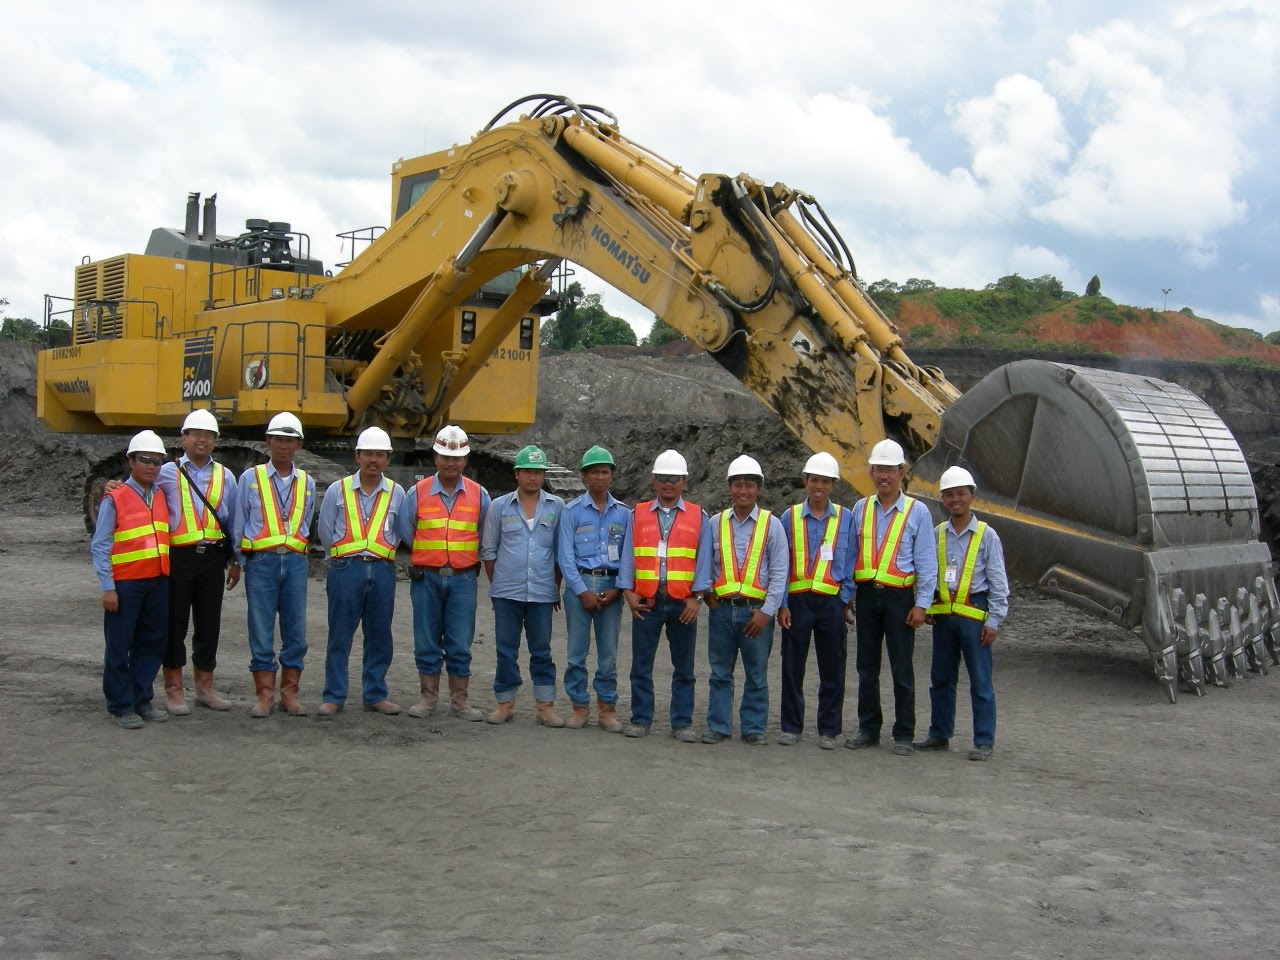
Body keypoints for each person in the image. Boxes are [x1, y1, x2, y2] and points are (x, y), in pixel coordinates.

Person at [845, 439, 938, 756]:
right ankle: (868, 729)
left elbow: (927, 562)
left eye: (890, 470)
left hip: (900, 599)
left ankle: (904, 734)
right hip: (867, 597)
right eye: (878, 469)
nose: (884, 475)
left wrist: (922, 604)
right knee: (866, 667)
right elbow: (852, 555)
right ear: (871, 472)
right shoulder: (860, 509)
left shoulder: (917, 512)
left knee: (902, 668)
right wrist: (848, 596)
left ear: (902, 472)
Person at [914, 466, 1010, 761]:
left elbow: (998, 582)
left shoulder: (987, 536)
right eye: (949, 495)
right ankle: (939, 733)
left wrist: (994, 621)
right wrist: (928, 605)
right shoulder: (937, 534)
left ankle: (984, 741)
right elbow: (929, 572)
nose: (955, 499)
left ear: (972, 496)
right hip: (943, 616)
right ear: (942, 499)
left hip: (974, 615)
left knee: (981, 681)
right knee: (941, 678)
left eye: (960, 494)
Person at [617, 449, 713, 740]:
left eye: (674, 478)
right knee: (641, 665)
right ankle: (640, 719)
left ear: (685, 481)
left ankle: (682, 723)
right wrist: (628, 592)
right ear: (653, 480)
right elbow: (628, 555)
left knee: (684, 668)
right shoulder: (637, 514)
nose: (668, 483)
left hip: (683, 603)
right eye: (662, 478)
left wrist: (697, 599)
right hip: (647, 601)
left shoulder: (699, 516)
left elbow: (704, 560)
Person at [399, 424, 491, 722]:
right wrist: (432, 554)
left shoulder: (479, 495)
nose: (451, 463)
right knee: (426, 641)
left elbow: (484, 532)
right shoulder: (417, 493)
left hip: (463, 579)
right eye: (445, 457)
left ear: (465, 461)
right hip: (427, 578)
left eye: (457, 458)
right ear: (435, 458)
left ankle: (459, 701)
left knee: (460, 642)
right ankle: (428, 698)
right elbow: (407, 530)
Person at [317, 426, 405, 717]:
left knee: (380, 635)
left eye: (380, 455)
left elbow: (401, 530)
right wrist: (338, 558)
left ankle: (375, 693)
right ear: (357, 456)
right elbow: (326, 530)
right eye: (368, 454)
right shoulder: (338, 490)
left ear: (388, 459)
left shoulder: (397, 493)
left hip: (382, 570)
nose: (373, 460)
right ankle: (334, 695)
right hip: (346, 569)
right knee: (340, 635)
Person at [234, 412, 317, 718]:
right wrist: (239, 561)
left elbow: (307, 520)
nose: (284, 445)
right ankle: (265, 694)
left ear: (299, 445)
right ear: (268, 442)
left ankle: (289, 693)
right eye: (279, 439)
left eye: (290, 440)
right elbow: (239, 522)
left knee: (295, 629)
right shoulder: (250, 478)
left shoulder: (307, 482)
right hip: (262, 562)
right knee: (261, 628)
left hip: (294, 561)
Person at [156, 408, 238, 715]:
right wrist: (114, 486)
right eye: (196, 435)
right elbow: (136, 490)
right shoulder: (166, 472)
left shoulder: (226, 476)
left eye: (208, 435)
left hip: (212, 559)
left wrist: (236, 560)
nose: (202, 440)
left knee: (208, 624)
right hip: (179, 558)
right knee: (174, 624)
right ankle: (174, 689)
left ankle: (205, 687)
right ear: (184, 438)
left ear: (215, 441)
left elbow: (233, 521)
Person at [702, 455, 788, 745]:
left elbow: (779, 573)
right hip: (722, 612)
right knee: (719, 673)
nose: (743, 491)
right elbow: (706, 565)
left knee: (756, 674)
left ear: (759, 489)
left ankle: (753, 728)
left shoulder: (772, 525)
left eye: (749, 485)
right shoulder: (715, 523)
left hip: (756, 613)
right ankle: (718, 726)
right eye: (737, 485)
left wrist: (767, 612)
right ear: (729, 488)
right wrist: (707, 595)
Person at [90, 430, 171, 729]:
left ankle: (141, 699)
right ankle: (120, 706)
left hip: (157, 581)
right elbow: (100, 544)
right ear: (131, 462)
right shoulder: (116, 497)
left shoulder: (160, 495)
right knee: (119, 645)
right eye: (145, 460)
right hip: (126, 584)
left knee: (152, 643)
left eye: (157, 461)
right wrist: (107, 587)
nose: (152, 466)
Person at [480, 445, 566, 726]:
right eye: (527, 471)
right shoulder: (499, 506)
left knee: (542, 650)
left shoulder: (557, 507)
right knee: (506, 650)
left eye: (538, 472)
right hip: (507, 593)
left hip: (542, 592)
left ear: (544, 476)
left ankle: (545, 706)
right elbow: (489, 551)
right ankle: (505, 704)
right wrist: (499, 585)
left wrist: (555, 587)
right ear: (516, 474)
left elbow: (560, 553)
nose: (533, 477)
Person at [776, 452, 854, 750]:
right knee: (792, 666)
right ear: (805, 482)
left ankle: (829, 730)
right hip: (797, 603)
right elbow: (781, 563)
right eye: (814, 480)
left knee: (832, 667)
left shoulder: (846, 518)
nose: (819, 486)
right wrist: (783, 603)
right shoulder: (789, 517)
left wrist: (844, 599)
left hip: (831, 603)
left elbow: (851, 561)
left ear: (833, 484)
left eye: (825, 481)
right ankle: (791, 726)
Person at [557, 445, 632, 732]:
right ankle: (579, 707)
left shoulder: (624, 514)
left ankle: (606, 709)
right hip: (580, 586)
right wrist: (581, 591)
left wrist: (619, 589)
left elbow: (628, 556)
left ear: (612, 476)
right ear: (584, 476)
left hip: (612, 587)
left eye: (605, 472)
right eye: (594, 472)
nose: (600, 477)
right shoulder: (571, 512)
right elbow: (565, 556)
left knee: (608, 655)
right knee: (576, 653)